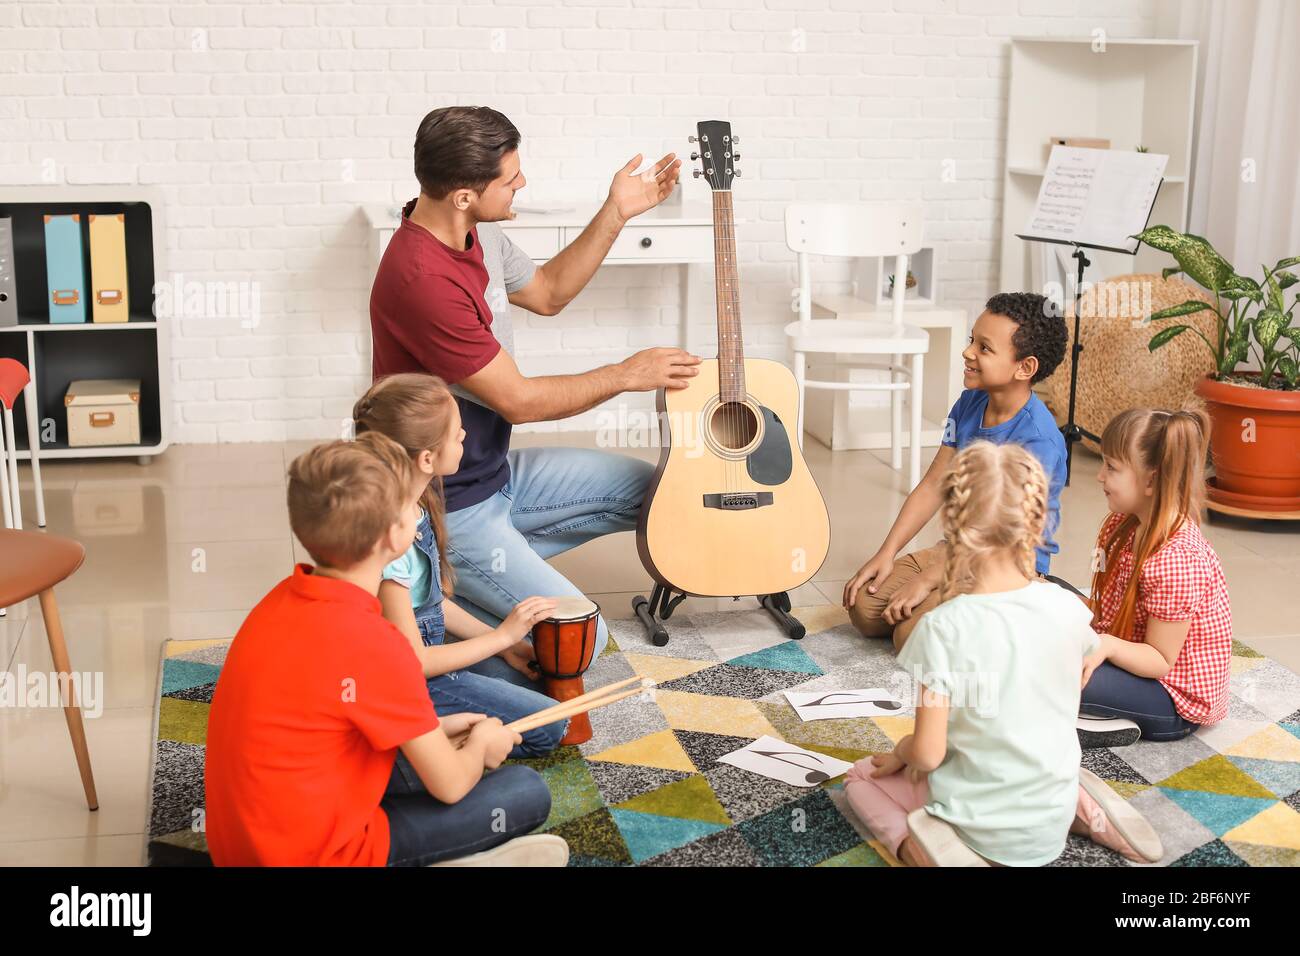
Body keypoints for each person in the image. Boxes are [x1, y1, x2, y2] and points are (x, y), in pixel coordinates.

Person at [370, 105, 700, 658]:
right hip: (451, 504)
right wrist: (626, 375)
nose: (521, 183)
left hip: (494, 476)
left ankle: (454, 585)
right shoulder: (422, 280)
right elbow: (518, 401)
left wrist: (615, 212)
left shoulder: (479, 235)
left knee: (660, 496)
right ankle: (439, 592)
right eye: (510, 178)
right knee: (582, 644)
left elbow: (548, 292)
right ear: (464, 195)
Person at [204, 433, 564, 867]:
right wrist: (482, 746)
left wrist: (436, 731)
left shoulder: (278, 600)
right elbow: (450, 785)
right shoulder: (376, 642)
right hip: (321, 857)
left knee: (440, 746)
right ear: (396, 536)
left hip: (238, 848)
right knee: (525, 791)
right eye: (411, 505)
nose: (419, 509)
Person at [843, 442, 1162, 866]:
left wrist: (902, 751)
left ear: (952, 527)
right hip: (1049, 814)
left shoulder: (942, 629)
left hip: (978, 825)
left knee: (860, 778)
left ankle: (923, 848)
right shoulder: (1070, 610)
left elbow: (928, 754)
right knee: (1031, 754)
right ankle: (1082, 808)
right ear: (1035, 524)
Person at [843, 291, 1069, 649]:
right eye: (971, 341)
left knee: (910, 635)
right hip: (955, 548)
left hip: (1005, 563)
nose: (968, 353)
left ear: (1024, 367)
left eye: (985, 348)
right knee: (865, 608)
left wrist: (930, 580)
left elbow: (1005, 540)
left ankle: (1027, 606)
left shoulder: (1039, 440)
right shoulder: (969, 402)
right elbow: (934, 483)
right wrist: (886, 553)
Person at [1077, 405, 1232, 750]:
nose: (1100, 476)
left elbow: (1161, 660)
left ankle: (1093, 720)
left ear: (1151, 479)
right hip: (1132, 660)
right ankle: (1088, 714)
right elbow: (1109, 608)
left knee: (1054, 671)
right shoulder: (1125, 524)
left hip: (1171, 701)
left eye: (1112, 467)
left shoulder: (1176, 560)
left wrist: (1108, 645)